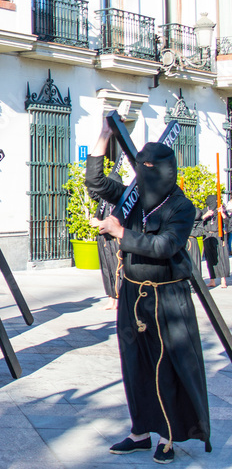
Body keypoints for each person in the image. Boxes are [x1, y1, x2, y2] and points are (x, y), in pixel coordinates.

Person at [86, 118, 211, 464]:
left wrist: (120, 233)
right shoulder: (133, 196)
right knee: (134, 364)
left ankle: (169, 435)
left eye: (151, 171)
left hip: (167, 297)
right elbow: (96, 182)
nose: (145, 177)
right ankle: (139, 432)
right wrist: (105, 136)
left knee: (166, 366)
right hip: (132, 292)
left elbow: (166, 245)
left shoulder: (181, 207)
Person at [95, 171, 124, 312]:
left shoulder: (120, 200)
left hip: (115, 239)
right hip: (103, 239)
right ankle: (111, 298)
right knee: (106, 269)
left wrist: (100, 222)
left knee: (116, 268)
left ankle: (119, 297)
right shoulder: (104, 200)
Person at [201, 195, 228, 288]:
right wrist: (205, 215)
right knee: (209, 258)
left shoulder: (220, 210)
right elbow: (197, 220)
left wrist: (223, 214)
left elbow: (228, 222)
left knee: (221, 258)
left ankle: (223, 279)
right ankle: (212, 280)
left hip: (218, 234)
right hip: (208, 235)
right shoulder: (205, 210)